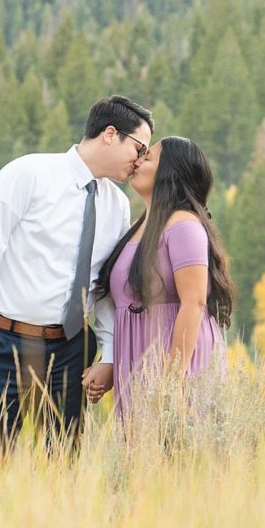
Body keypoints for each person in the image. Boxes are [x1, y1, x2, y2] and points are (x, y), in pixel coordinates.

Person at [0, 95, 153, 458]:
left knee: (63, 463)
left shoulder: (115, 205)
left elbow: (104, 288)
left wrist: (109, 354)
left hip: (70, 351)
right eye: (139, 148)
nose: (140, 161)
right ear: (110, 134)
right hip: (3, 343)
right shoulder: (29, 174)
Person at [83, 136, 233, 418]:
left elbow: (194, 302)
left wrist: (171, 382)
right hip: (139, 366)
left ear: (170, 173)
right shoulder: (142, 226)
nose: (137, 161)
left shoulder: (183, 225)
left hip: (175, 370)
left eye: (147, 157)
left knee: (180, 454)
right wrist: (111, 364)